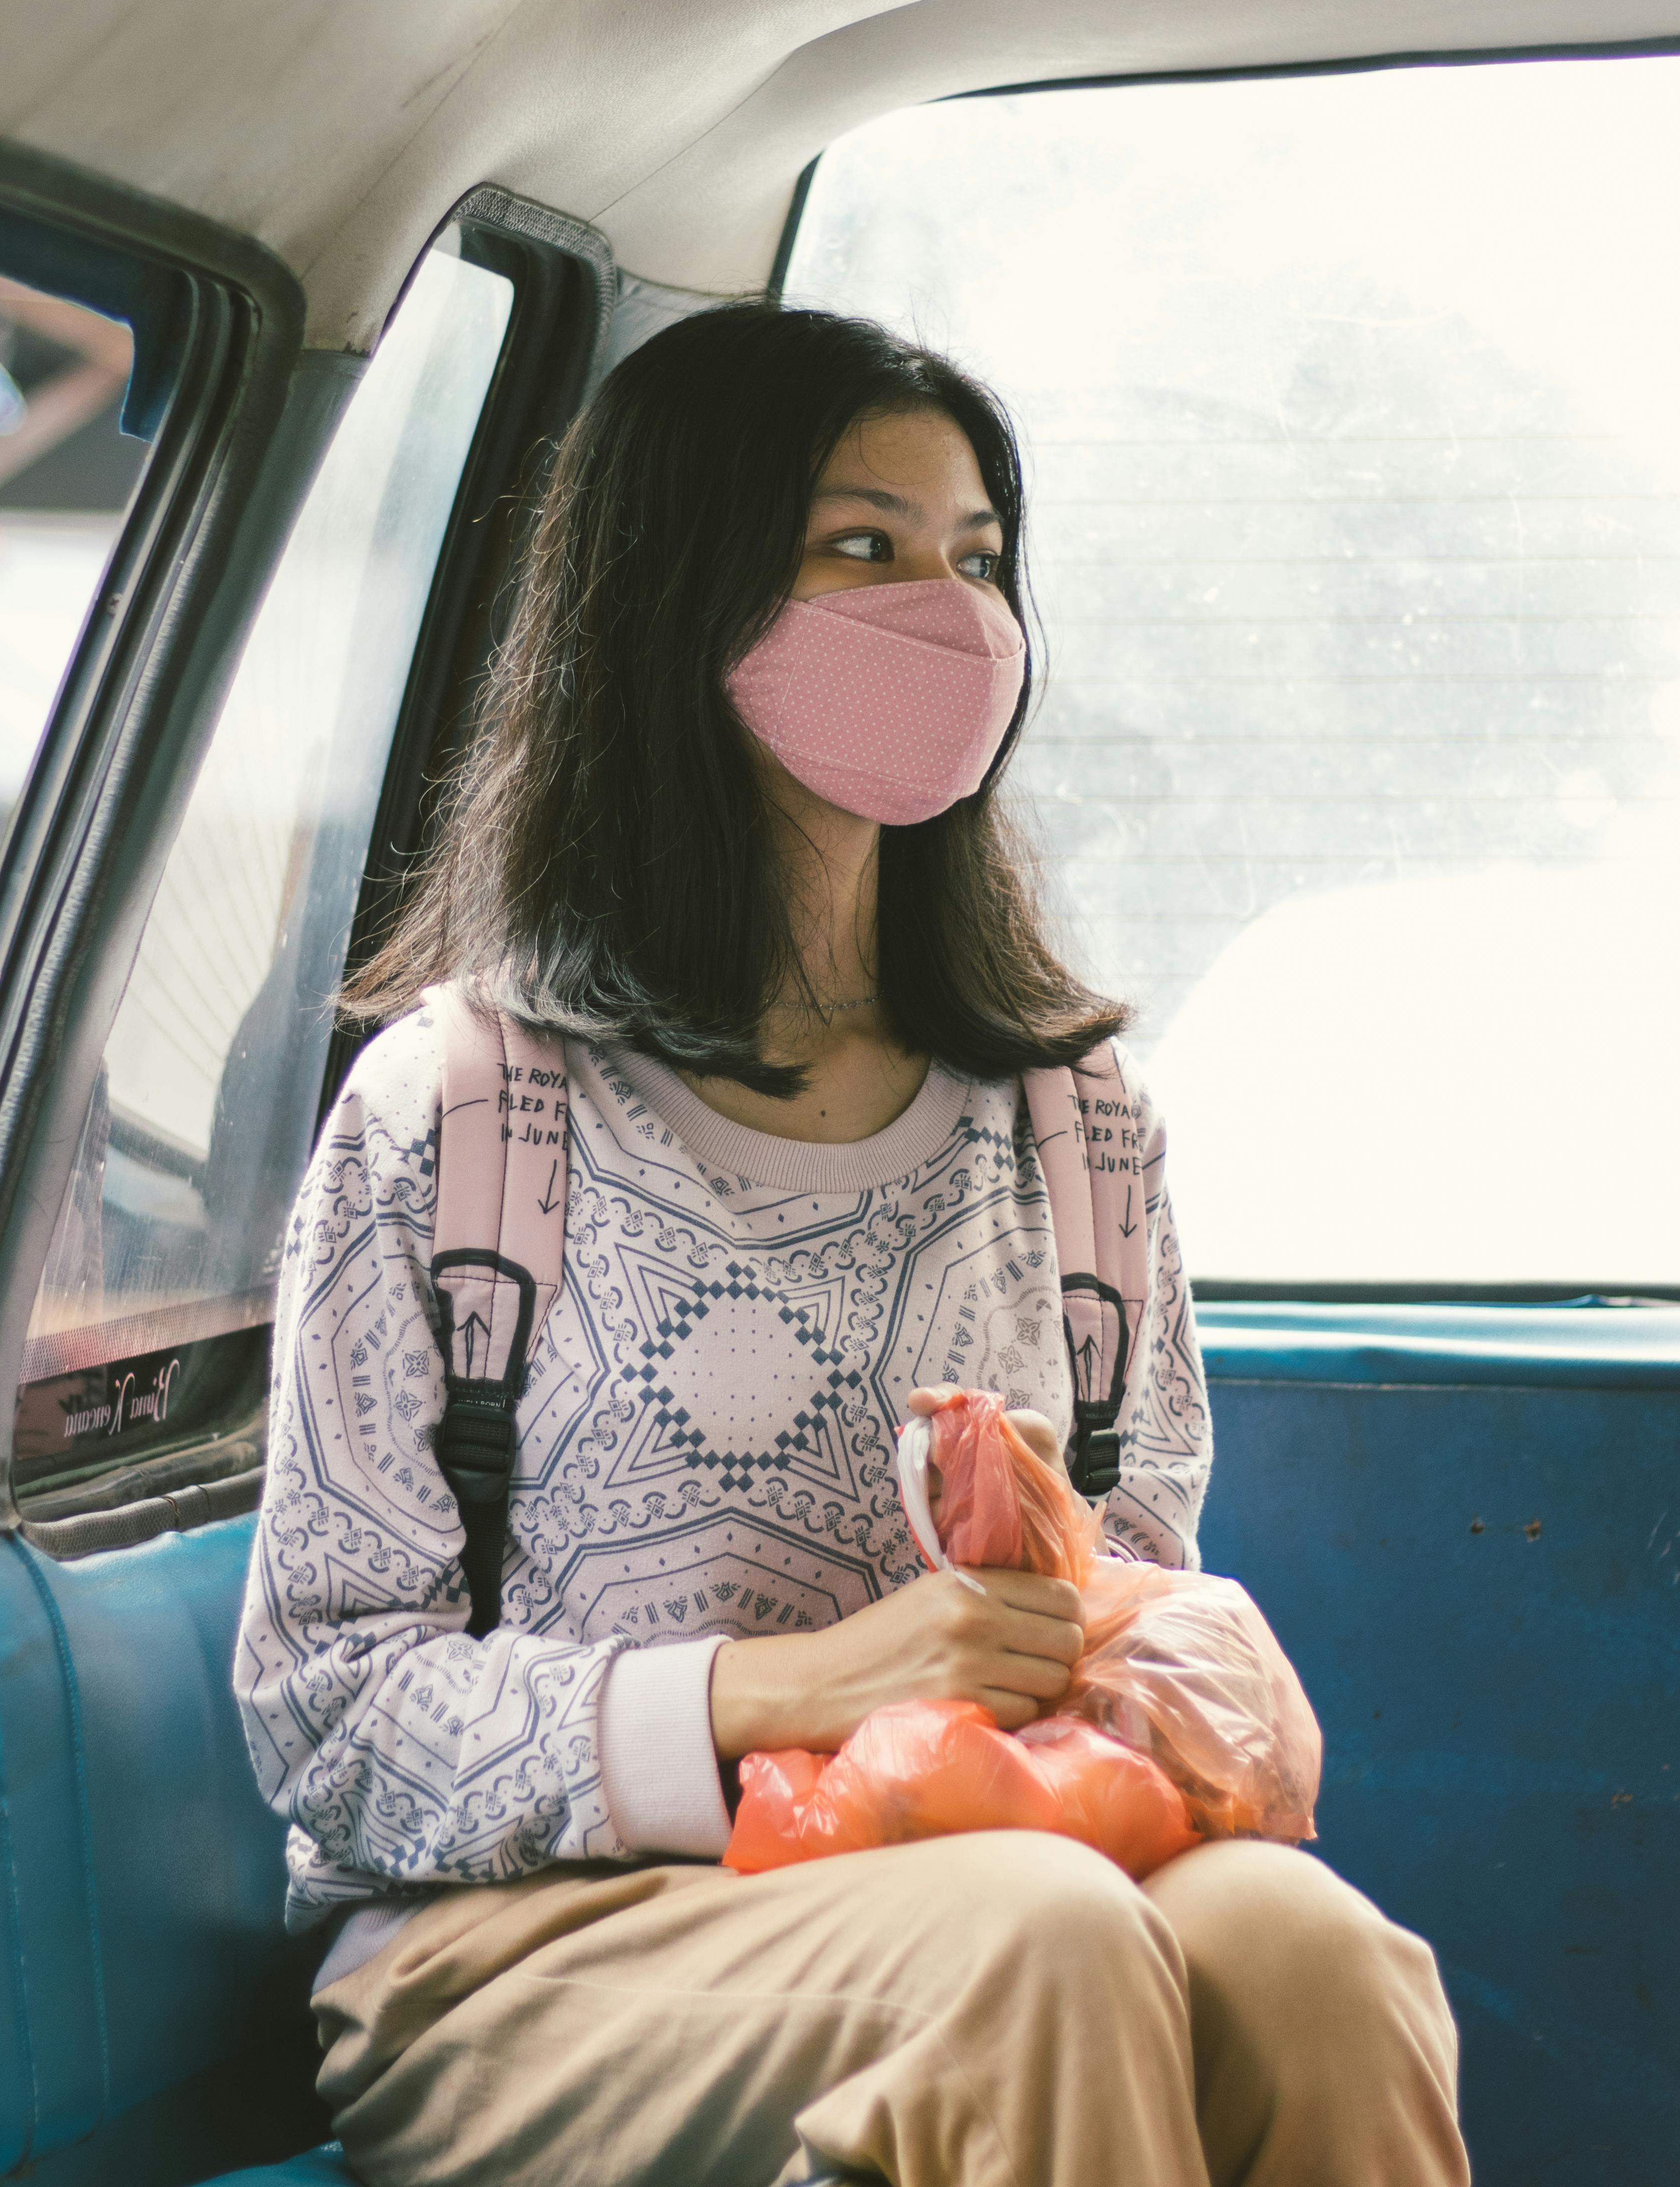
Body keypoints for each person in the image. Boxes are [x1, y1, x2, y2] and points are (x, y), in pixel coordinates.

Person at [237, 304, 1467, 2187]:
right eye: (863, 549)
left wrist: (1141, 1650)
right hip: (544, 1932)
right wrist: (792, 1696)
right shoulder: (459, 1116)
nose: (951, 615)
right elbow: (331, 1719)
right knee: (1036, 1949)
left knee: (1315, 1957)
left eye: (980, 559)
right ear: (680, 600)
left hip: (999, 1865)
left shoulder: (1080, 1133)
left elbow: (1125, 1581)